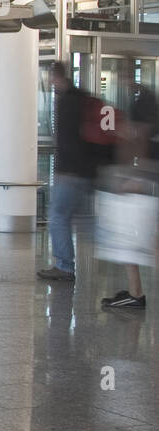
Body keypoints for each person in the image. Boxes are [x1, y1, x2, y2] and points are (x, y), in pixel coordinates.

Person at [39, 61, 105, 282]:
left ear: (54, 76)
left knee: (58, 217)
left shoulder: (67, 102)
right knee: (84, 219)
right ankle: (114, 249)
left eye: (50, 77)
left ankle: (65, 266)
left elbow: (67, 140)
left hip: (70, 172)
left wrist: (63, 169)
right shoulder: (81, 97)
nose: (49, 82)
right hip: (86, 172)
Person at [101, 68, 158, 309]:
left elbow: (141, 140)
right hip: (148, 178)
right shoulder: (146, 99)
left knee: (137, 240)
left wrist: (135, 176)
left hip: (147, 180)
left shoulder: (144, 102)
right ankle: (135, 292)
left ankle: (136, 293)